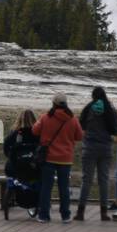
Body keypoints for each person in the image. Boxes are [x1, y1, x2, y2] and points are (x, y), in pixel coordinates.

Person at [33, 94, 84, 223]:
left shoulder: (46, 117)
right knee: (64, 188)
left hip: (49, 157)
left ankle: (44, 215)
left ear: (53, 104)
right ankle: (65, 215)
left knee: (46, 187)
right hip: (66, 158)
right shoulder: (73, 119)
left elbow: (35, 131)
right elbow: (79, 136)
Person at [77, 86, 117, 221]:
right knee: (104, 181)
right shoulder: (110, 109)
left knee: (86, 180)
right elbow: (116, 130)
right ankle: (103, 213)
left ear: (93, 96)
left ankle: (80, 212)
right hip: (105, 148)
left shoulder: (88, 108)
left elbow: (80, 125)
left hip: (89, 147)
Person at [3, 110, 42, 217]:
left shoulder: (14, 133)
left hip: (17, 167)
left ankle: (11, 197)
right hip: (33, 167)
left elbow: (6, 149)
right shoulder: (38, 134)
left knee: (10, 172)